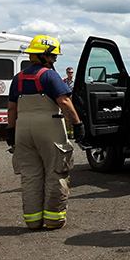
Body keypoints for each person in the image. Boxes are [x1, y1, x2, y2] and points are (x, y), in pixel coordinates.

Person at [5, 35, 84, 230]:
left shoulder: (18, 78)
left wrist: (10, 131)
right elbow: (64, 101)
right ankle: (53, 219)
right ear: (46, 56)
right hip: (49, 127)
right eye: (54, 57)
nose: (55, 60)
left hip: (23, 129)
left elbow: (11, 108)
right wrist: (77, 124)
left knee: (30, 175)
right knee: (56, 171)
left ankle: (32, 221)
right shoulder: (49, 76)